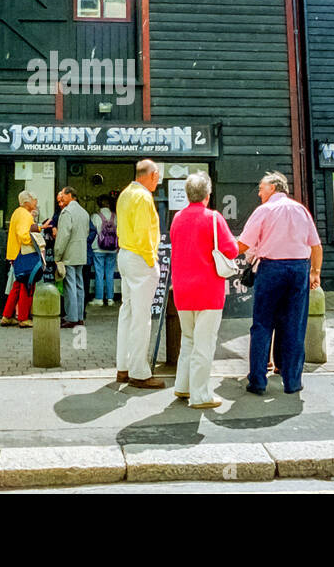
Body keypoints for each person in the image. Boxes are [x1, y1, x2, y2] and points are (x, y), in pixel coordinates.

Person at [236, 171, 322, 395]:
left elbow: (243, 244)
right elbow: (316, 246)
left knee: (263, 324)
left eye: (261, 188)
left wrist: (218, 252)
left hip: (271, 268)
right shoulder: (301, 210)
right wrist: (315, 272)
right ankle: (292, 381)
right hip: (298, 269)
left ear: (273, 188)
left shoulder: (264, 210)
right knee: (294, 325)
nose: (259, 192)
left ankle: (257, 381)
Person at [169, 172, 237, 409]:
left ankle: (183, 386)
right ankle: (200, 395)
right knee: (204, 344)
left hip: (182, 290)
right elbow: (232, 250)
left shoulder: (177, 218)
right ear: (208, 195)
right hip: (208, 290)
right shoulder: (214, 218)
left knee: (188, 339)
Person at [115, 159, 165, 389]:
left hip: (125, 254)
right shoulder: (144, 197)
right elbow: (144, 234)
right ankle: (139, 372)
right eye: (158, 176)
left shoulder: (126, 193)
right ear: (152, 175)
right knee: (141, 317)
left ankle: (123, 367)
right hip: (139, 258)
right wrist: (151, 261)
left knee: (127, 312)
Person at [2, 191, 41, 328]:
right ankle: (23, 318)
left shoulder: (17, 212)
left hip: (15, 253)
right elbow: (25, 235)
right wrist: (38, 234)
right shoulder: (25, 215)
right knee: (27, 285)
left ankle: (7, 316)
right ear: (27, 202)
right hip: (24, 254)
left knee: (17, 285)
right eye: (34, 200)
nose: (36, 203)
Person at [53, 186, 90, 328]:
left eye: (63, 195)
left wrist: (58, 254)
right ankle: (80, 316)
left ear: (70, 195)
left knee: (70, 286)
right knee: (80, 285)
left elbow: (63, 236)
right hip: (81, 253)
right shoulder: (84, 212)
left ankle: (72, 317)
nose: (61, 198)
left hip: (69, 254)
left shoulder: (67, 212)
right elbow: (86, 232)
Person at [91, 193, 118, 306]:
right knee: (110, 272)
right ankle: (110, 298)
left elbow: (93, 231)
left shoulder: (95, 216)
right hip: (112, 248)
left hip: (98, 248)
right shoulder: (115, 216)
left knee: (99, 273)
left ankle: (99, 298)